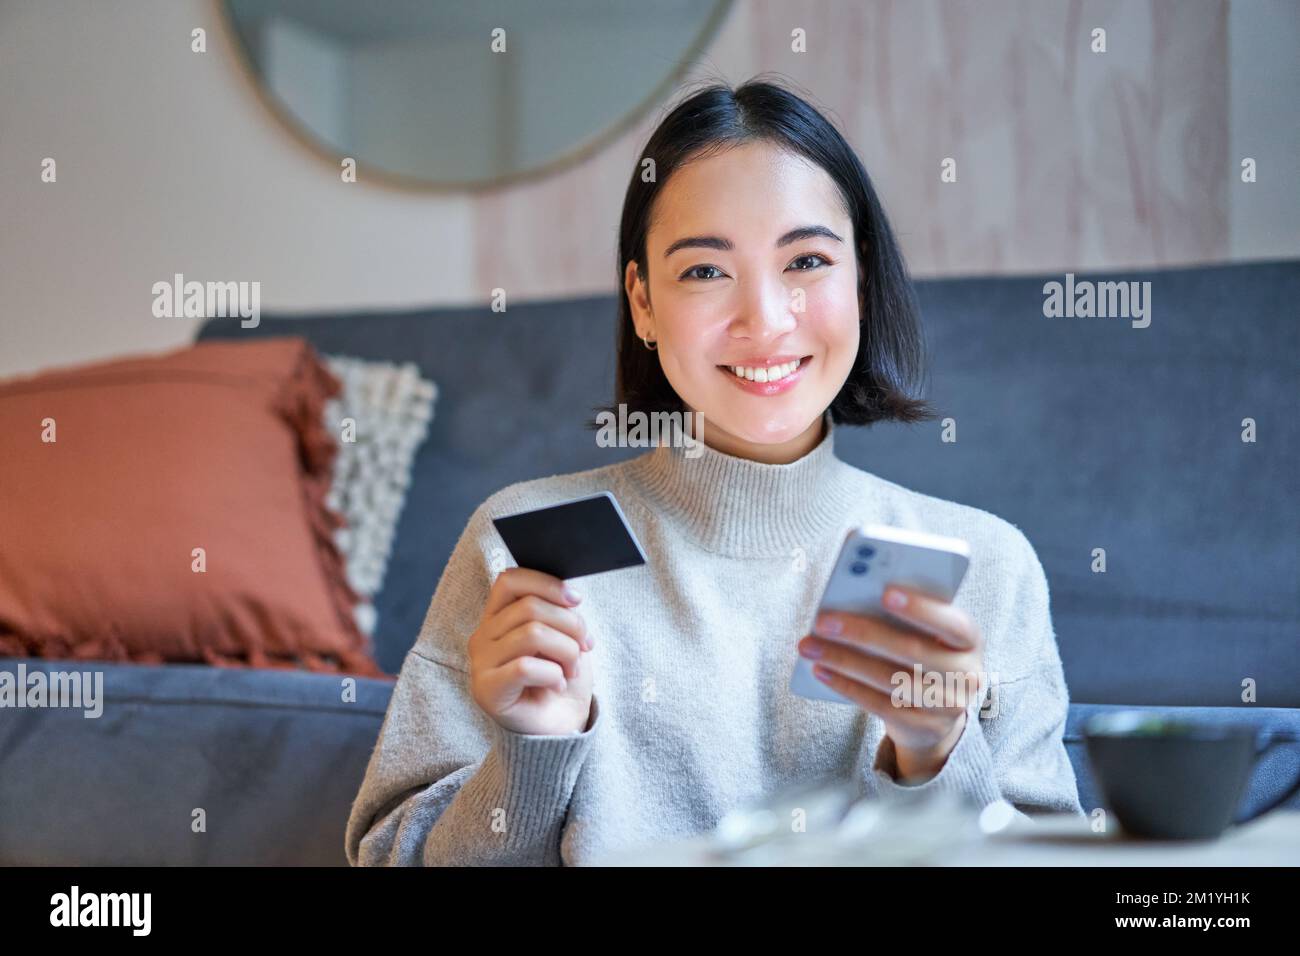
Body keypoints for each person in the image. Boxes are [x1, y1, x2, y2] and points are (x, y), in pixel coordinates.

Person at [345, 77, 1084, 867]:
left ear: (860, 280)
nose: (765, 319)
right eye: (705, 271)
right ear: (642, 303)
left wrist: (938, 758)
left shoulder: (986, 568)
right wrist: (529, 755)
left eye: (806, 260)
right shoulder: (522, 550)